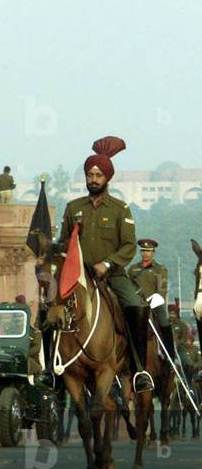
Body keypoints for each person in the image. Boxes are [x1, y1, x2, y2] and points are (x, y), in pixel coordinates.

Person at [57, 136, 152, 392]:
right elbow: (64, 242)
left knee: (136, 305)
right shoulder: (73, 208)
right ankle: (51, 371)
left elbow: (129, 246)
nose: (94, 179)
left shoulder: (121, 209)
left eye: (99, 175)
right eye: (90, 174)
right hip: (79, 276)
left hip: (112, 274)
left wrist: (108, 264)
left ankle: (138, 369)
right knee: (50, 310)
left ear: (107, 178)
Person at [128, 237, 175, 359]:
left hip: (154, 302)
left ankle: (170, 354)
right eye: (143, 250)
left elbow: (162, 289)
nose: (145, 253)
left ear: (153, 252)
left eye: (148, 251)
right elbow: (128, 287)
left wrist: (156, 299)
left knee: (164, 321)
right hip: (136, 303)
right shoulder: (133, 269)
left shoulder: (160, 269)